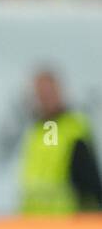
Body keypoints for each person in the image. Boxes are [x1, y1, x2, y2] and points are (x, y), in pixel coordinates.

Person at [18, 69, 102, 214]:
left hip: (64, 224)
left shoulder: (74, 128)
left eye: (48, 92)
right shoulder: (36, 130)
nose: (44, 97)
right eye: (39, 93)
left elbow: (89, 182)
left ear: (60, 92)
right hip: (32, 225)